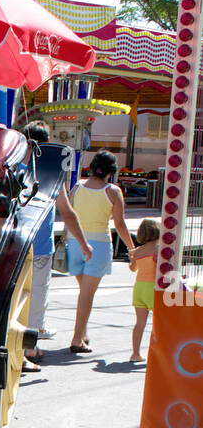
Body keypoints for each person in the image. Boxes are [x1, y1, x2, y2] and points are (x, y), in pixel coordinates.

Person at [22, 122, 91, 366]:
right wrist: (83, 242)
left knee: (16, 296)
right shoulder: (52, 173)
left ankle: (22, 346)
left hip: (15, 244)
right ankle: (29, 349)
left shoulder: (13, 168)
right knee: (36, 297)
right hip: (40, 246)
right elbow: (67, 212)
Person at [67, 150, 135, 353]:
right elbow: (120, 224)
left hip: (75, 242)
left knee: (84, 293)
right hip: (99, 245)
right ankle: (77, 339)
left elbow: (70, 213)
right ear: (111, 171)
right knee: (87, 295)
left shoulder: (77, 186)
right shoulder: (112, 191)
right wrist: (132, 248)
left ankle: (83, 333)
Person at [128, 217, 159, 364]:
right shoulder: (158, 249)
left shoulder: (138, 251)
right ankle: (157, 354)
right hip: (152, 288)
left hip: (139, 287)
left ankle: (135, 353)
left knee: (139, 323)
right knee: (158, 324)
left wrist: (132, 257)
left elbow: (133, 268)